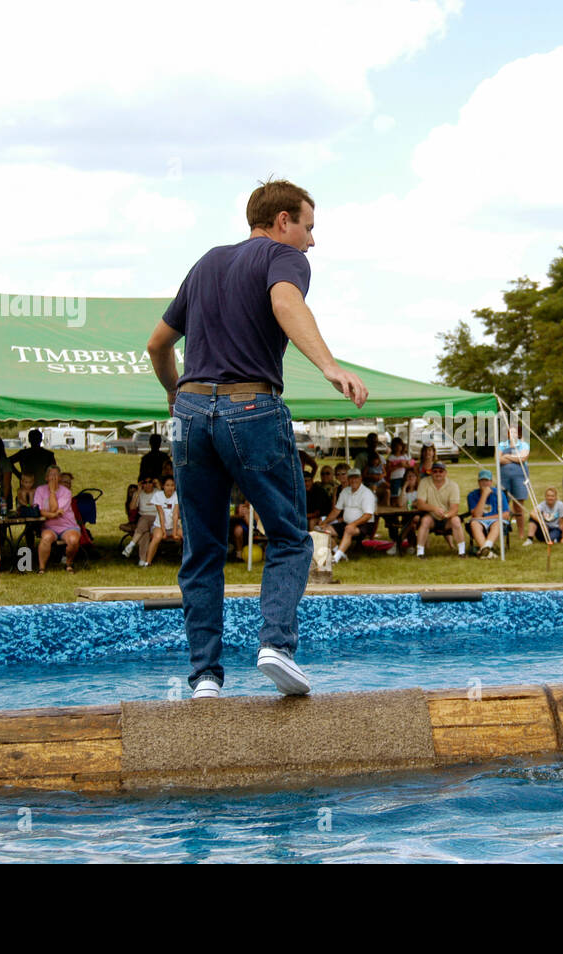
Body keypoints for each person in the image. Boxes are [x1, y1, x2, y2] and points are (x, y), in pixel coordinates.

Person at [147, 178, 368, 699]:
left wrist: (176, 396)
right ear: (282, 221)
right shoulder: (283, 258)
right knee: (290, 536)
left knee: (202, 549)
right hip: (251, 407)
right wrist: (329, 366)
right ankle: (276, 646)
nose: (312, 241)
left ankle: (204, 678)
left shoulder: (205, 263)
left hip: (191, 410)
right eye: (308, 227)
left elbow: (158, 344)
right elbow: (287, 305)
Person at [316, 467, 377, 564]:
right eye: (351, 478)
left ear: (361, 479)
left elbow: (368, 515)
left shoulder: (367, 493)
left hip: (365, 524)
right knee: (323, 530)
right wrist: (324, 522)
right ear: (348, 479)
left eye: (356, 478)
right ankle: (340, 553)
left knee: (349, 529)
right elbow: (336, 511)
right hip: (347, 523)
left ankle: (335, 558)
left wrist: (353, 524)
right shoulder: (345, 492)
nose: (353, 480)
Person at [33, 465, 80, 573]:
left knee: (73, 540)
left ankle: (68, 564)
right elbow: (38, 510)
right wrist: (53, 515)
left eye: (56, 475)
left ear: (59, 478)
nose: (53, 477)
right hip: (49, 526)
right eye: (51, 475)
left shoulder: (66, 492)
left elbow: (55, 509)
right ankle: (42, 568)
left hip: (67, 526)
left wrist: (53, 492)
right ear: (46, 478)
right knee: (46, 538)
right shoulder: (40, 490)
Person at [414, 460, 463, 558]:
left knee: (456, 520)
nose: (438, 474)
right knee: (425, 521)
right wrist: (434, 509)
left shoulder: (453, 485)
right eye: (435, 471)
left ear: (445, 473)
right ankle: (420, 552)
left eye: (441, 471)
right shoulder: (424, 482)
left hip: (447, 518)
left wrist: (446, 515)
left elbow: (455, 508)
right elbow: (420, 504)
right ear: (431, 472)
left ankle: (462, 552)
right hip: (431, 516)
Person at [497, 421, 531, 544]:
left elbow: (523, 458)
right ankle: (502, 530)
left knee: (519, 506)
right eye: (510, 431)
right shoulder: (501, 445)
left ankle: (521, 532)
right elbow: (498, 459)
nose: (513, 434)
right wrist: (514, 458)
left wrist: (507, 458)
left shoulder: (524, 445)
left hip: (520, 477)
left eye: (515, 432)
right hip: (504, 478)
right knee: (503, 504)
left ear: (519, 433)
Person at [467, 469, 508, 557]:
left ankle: (486, 547)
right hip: (479, 521)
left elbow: (505, 514)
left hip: (495, 520)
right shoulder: (472, 495)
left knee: (497, 523)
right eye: (482, 480)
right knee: (474, 523)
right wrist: (484, 495)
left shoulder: (499, 493)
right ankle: (487, 551)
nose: (485, 483)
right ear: (478, 482)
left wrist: (485, 518)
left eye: (487, 480)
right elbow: (477, 515)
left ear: (491, 482)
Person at [144, 474, 182, 565]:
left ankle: (190, 562)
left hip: (173, 526)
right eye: (167, 485)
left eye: (172, 485)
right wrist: (164, 532)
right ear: (163, 486)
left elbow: (175, 514)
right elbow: (161, 514)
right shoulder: (158, 496)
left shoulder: (177, 495)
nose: (170, 488)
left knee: (186, 536)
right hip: (160, 526)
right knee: (157, 537)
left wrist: (174, 532)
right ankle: (147, 562)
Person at [122, 476, 161, 564]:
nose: (147, 485)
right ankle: (143, 560)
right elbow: (132, 507)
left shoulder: (157, 492)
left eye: (150, 482)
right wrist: (138, 491)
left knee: (143, 522)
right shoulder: (139, 494)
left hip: (156, 518)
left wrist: (158, 485)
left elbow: (165, 499)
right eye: (145, 482)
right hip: (144, 517)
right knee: (145, 535)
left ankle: (131, 544)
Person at [304, 464, 333, 529]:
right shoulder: (300, 492)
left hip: (323, 516)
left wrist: (302, 516)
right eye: (303, 481)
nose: (306, 483)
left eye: (308, 481)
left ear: (312, 481)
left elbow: (317, 513)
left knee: (311, 522)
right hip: (307, 516)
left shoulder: (319, 491)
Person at [385, 437, 413, 506]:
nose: (398, 448)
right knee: (395, 492)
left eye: (399, 446)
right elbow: (388, 469)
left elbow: (410, 465)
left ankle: (403, 503)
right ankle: (394, 503)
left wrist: (404, 465)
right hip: (394, 478)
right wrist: (398, 466)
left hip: (403, 477)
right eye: (396, 446)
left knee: (403, 491)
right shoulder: (391, 457)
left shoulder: (405, 456)